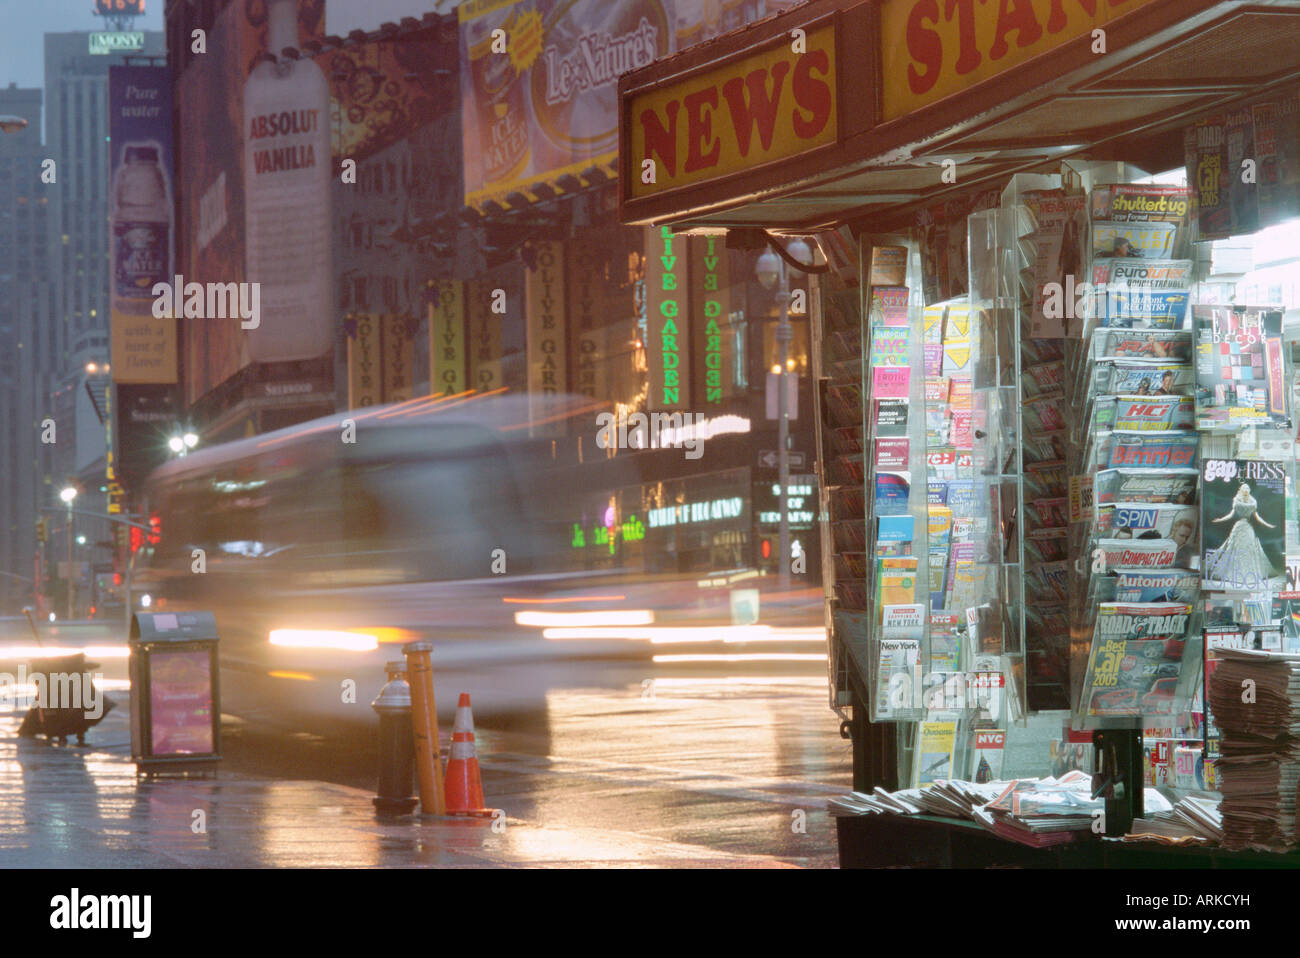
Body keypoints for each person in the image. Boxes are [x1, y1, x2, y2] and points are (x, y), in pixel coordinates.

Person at [1205, 482, 1277, 589]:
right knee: (1235, 550)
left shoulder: (1253, 501)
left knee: (1249, 549)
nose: (1246, 489)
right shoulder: (1237, 499)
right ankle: (1235, 574)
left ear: (1250, 490)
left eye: (1248, 487)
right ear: (1241, 489)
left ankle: (1250, 574)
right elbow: (1231, 514)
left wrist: (1268, 525)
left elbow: (1257, 517)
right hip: (1239, 527)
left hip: (1248, 527)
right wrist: (1220, 519)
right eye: (1244, 487)